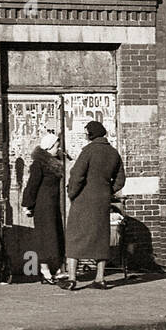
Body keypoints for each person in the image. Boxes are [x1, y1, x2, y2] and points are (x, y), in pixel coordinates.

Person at [61, 120, 124, 290]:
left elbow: (77, 176)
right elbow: (120, 180)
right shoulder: (113, 153)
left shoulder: (88, 151)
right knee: (100, 237)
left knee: (75, 237)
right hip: (102, 200)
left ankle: (72, 279)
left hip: (83, 199)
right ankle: (100, 278)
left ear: (90, 134)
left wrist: (72, 193)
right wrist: (107, 191)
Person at [21, 129, 65, 285]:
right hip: (43, 205)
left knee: (54, 236)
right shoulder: (39, 164)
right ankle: (45, 269)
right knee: (45, 237)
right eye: (56, 147)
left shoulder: (54, 163)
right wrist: (28, 205)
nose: (58, 149)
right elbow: (32, 185)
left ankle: (56, 268)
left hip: (52, 205)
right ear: (48, 147)